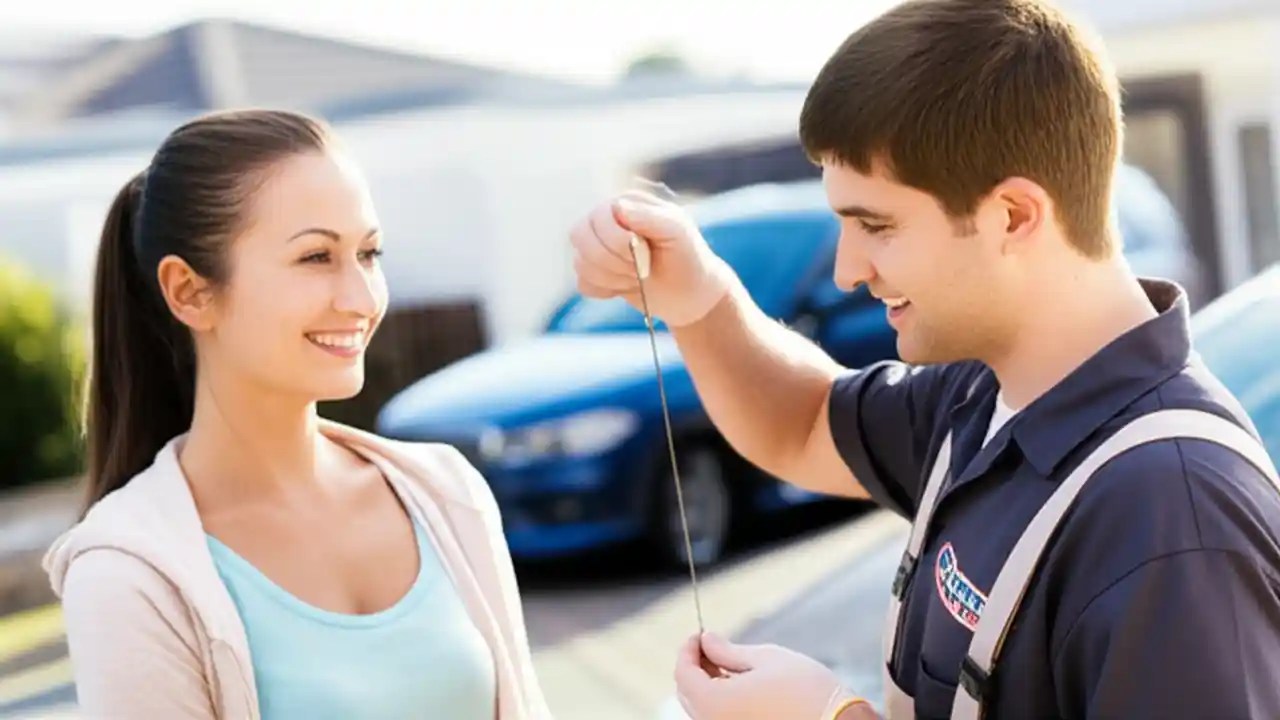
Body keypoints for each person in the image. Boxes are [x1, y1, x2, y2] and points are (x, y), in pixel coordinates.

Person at [569, 0, 1280, 718]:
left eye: (876, 225)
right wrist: (700, 296)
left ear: (1014, 215)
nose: (847, 269)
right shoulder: (983, 393)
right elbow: (805, 424)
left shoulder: (1174, 518)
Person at [43, 109, 549, 720]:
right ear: (189, 291)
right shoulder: (127, 580)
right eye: (316, 257)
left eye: (369, 252)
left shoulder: (446, 494)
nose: (362, 299)